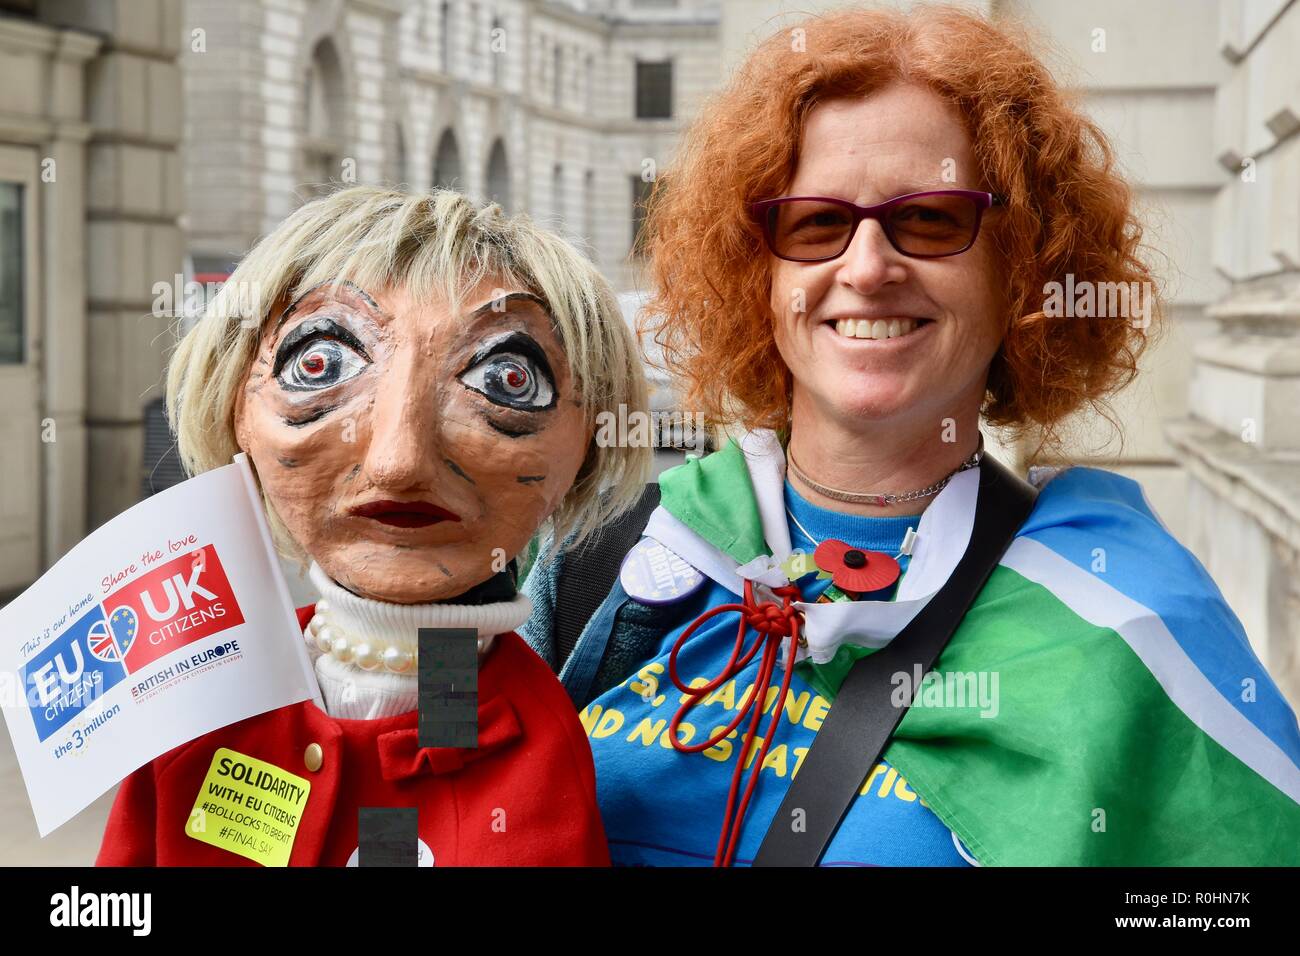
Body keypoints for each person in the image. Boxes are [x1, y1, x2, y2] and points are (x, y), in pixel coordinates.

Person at [521, 3, 1300, 866]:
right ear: (759, 273)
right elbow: (421, 780)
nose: (866, 267)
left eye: (930, 218)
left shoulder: (1131, 617)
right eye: (816, 223)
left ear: (1022, 267)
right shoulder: (613, 555)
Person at [96, 185, 649, 866]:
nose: (398, 461)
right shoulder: (203, 698)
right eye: (319, 364)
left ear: (586, 446)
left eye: (508, 379)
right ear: (236, 403)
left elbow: (434, 780)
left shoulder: (518, 740)